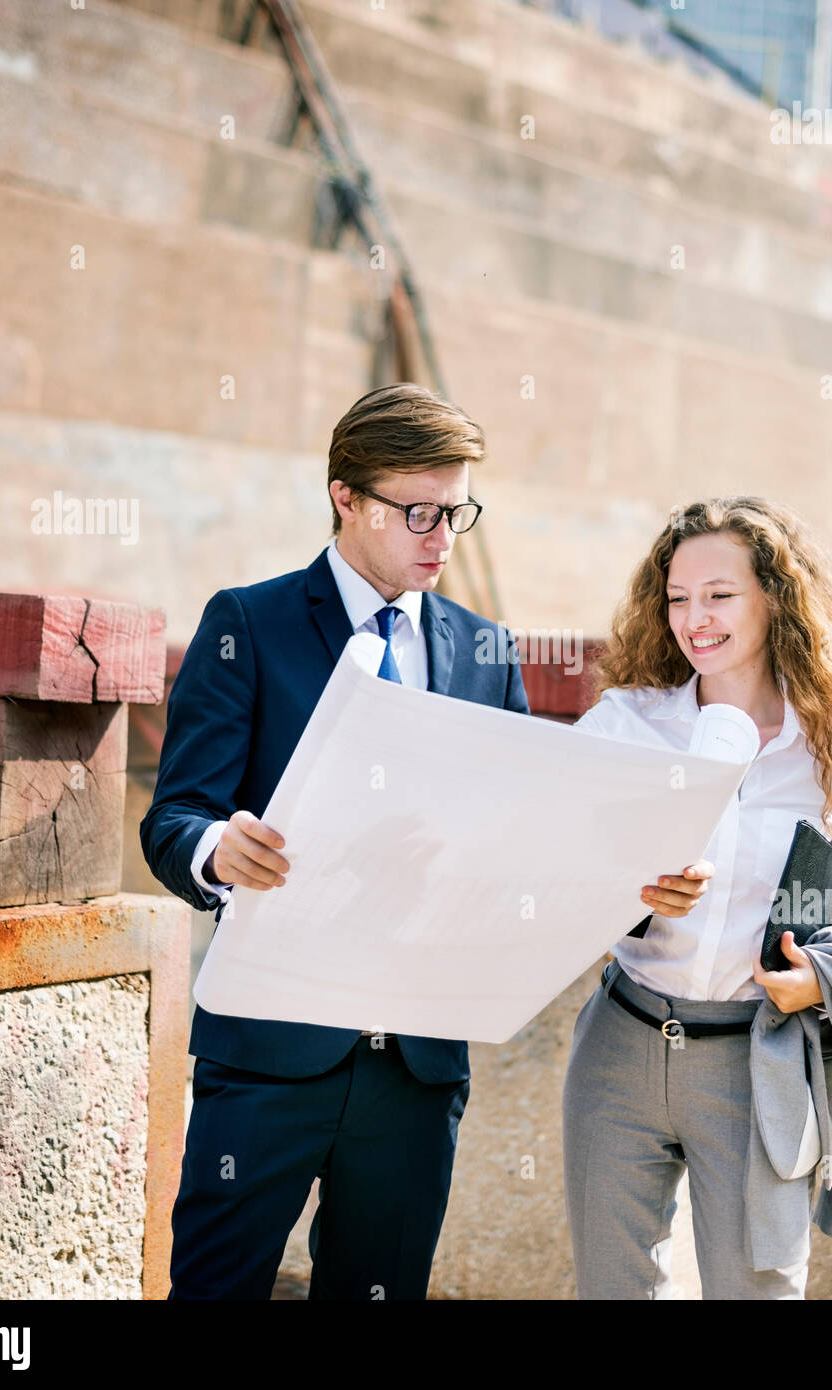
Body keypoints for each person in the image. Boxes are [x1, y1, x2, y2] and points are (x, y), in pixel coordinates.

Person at [139, 382, 710, 1300]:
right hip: (268, 1049)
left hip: (416, 1065)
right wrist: (218, 850)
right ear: (345, 498)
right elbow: (172, 820)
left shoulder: (486, 648)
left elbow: (529, 839)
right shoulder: (249, 623)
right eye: (418, 512)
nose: (443, 538)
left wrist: (629, 882)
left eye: (458, 512)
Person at [563, 494, 832, 1300]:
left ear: (775, 598)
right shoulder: (626, 725)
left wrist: (822, 979)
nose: (693, 617)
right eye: (677, 597)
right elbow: (553, 868)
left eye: (719, 594)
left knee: (760, 1291)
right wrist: (632, 890)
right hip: (621, 1042)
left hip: (756, 1060)